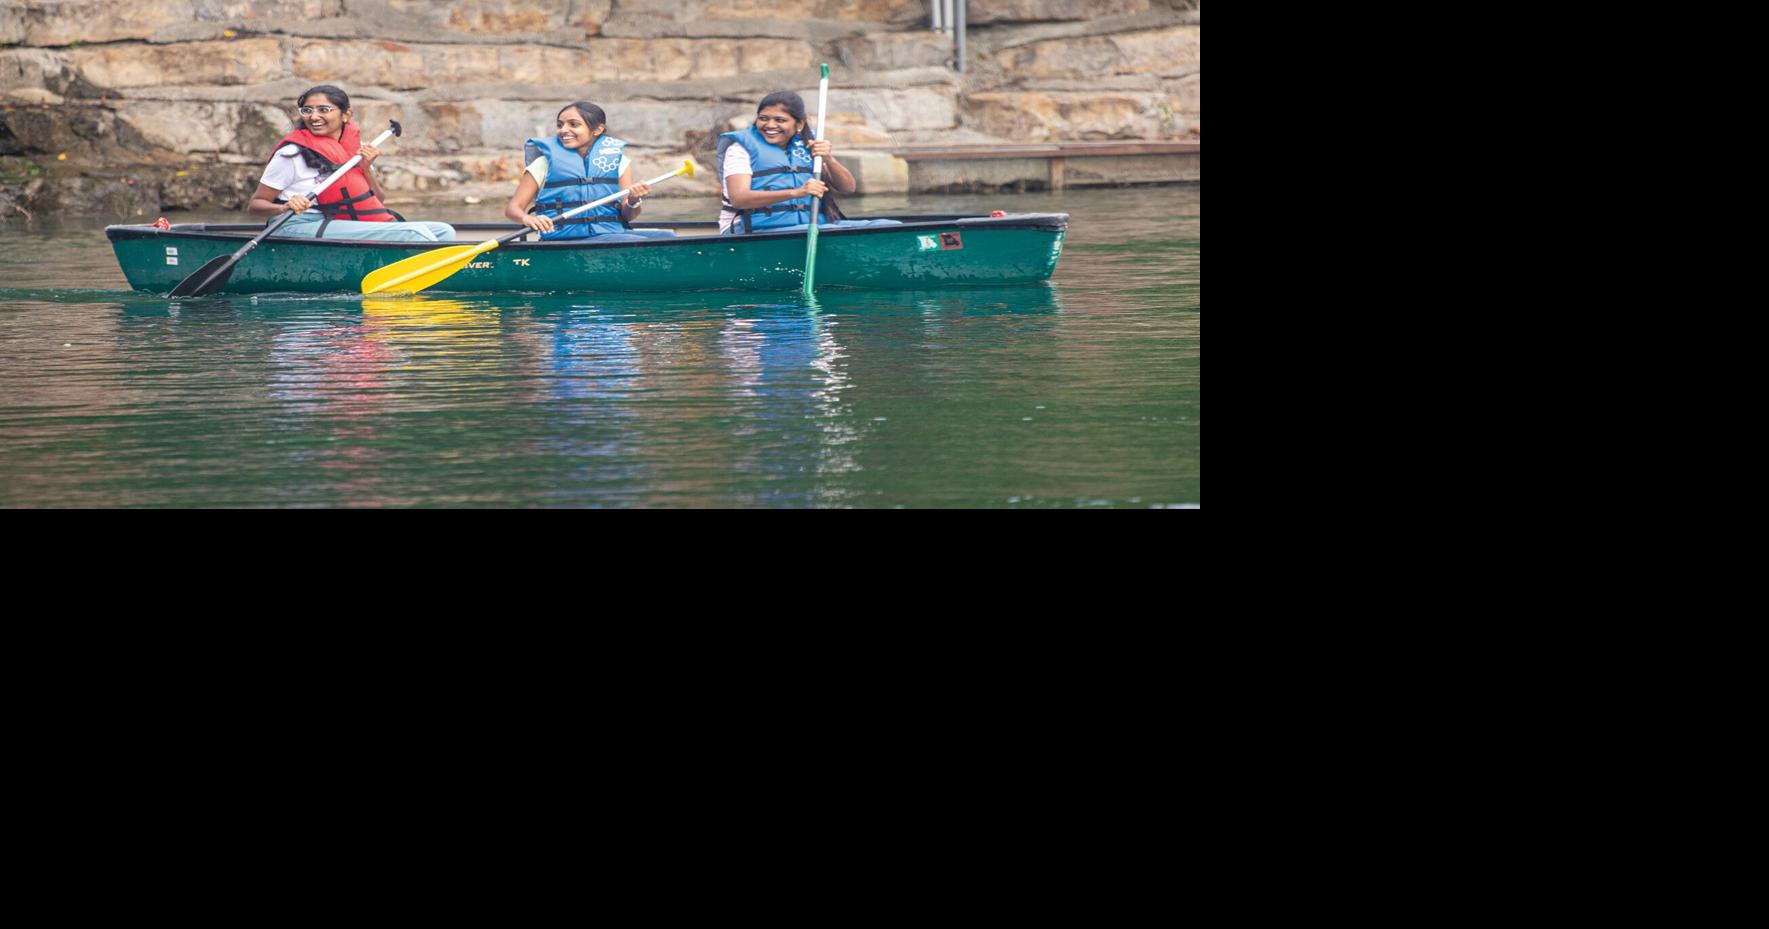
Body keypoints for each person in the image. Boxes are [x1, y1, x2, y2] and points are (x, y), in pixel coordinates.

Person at [247, 85, 455, 242]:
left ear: (346, 114)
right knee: (413, 233)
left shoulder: (354, 151)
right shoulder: (291, 154)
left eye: (324, 109)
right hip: (294, 225)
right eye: (307, 110)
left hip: (338, 222)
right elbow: (256, 206)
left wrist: (366, 168)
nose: (314, 116)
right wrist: (285, 207)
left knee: (444, 231)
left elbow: (378, 199)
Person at [715, 90, 898, 235]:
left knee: (891, 226)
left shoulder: (808, 145)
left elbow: (848, 188)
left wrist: (829, 159)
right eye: (763, 118)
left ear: (799, 124)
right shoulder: (740, 148)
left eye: (780, 120)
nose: (770, 125)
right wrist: (796, 192)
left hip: (813, 226)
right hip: (753, 230)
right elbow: (739, 198)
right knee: (830, 232)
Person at [504, 102, 676, 242]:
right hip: (566, 240)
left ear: (597, 130)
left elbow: (628, 216)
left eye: (573, 124)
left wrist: (633, 200)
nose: (563, 130)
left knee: (668, 237)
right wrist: (528, 219)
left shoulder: (619, 162)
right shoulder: (543, 163)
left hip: (611, 234)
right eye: (560, 125)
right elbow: (513, 209)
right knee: (630, 241)